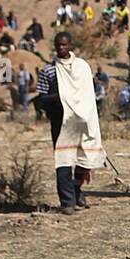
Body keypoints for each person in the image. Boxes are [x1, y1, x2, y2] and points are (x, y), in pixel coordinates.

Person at [36, 31, 106, 214]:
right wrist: (60, 99)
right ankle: (67, 202)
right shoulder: (48, 70)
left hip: (82, 120)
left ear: (71, 45)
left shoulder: (82, 67)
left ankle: (77, 190)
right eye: (59, 45)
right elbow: (41, 99)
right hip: (61, 122)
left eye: (65, 45)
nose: (62, 48)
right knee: (64, 160)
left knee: (83, 160)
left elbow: (88, 94)